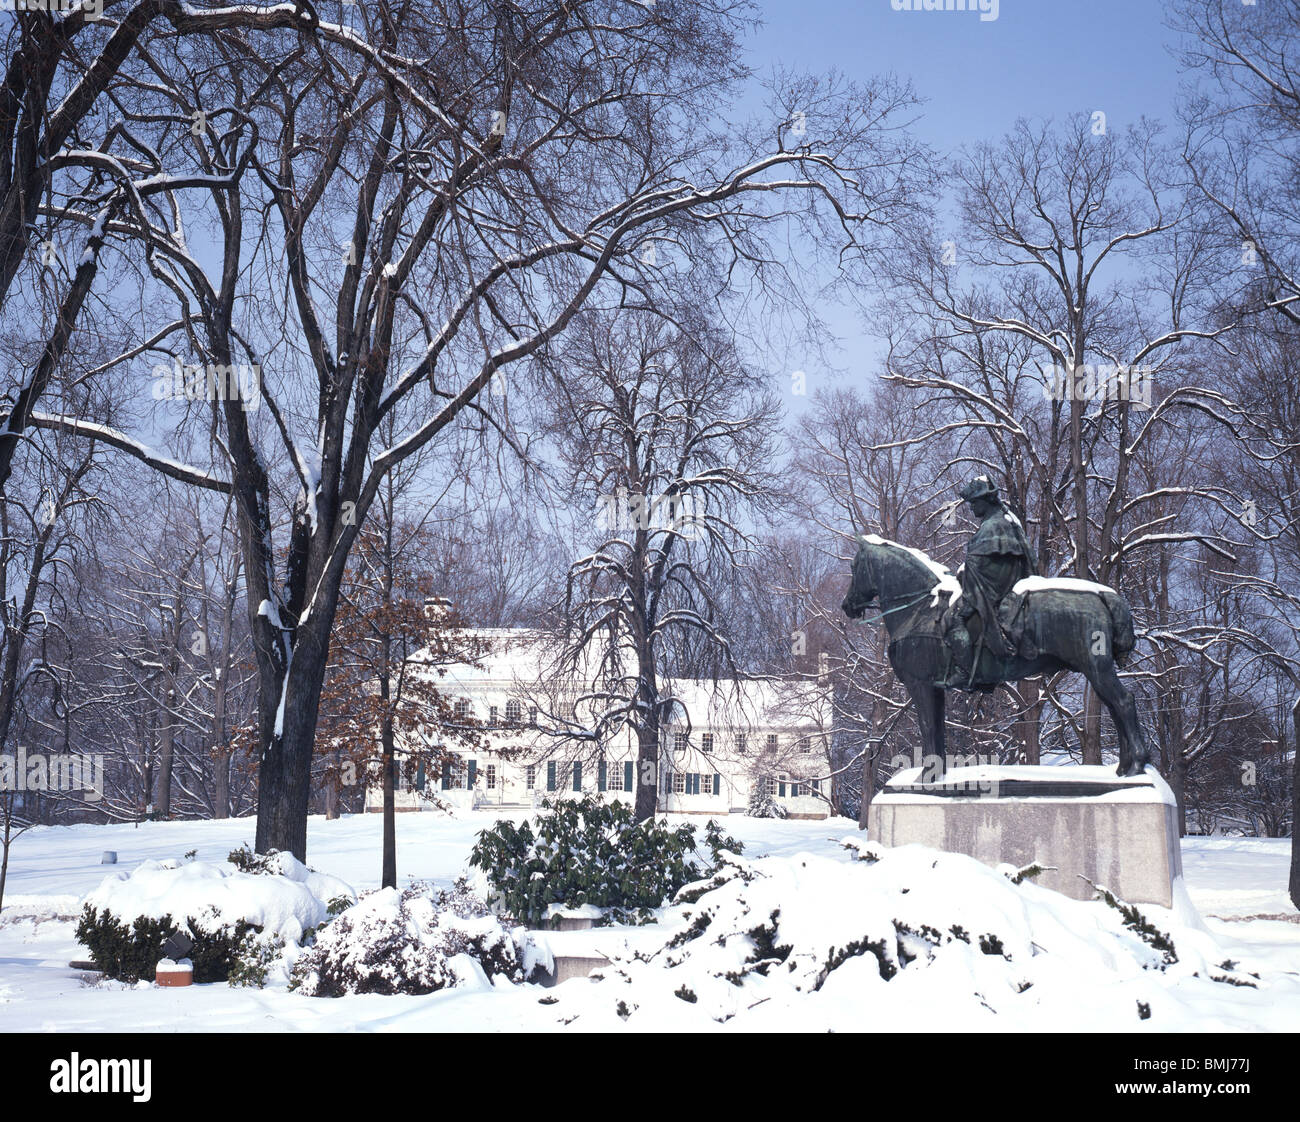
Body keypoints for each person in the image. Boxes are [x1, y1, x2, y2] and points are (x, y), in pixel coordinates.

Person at [945, 476, 1036, 689]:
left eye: (974, 502)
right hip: (1002, 582)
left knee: (955, 619)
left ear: (986, 501)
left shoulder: (992, 526)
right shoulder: (1005, 521)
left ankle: (966, 671)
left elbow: (978, 565)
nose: (972, 507)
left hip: (994, 587)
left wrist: (964, 578)